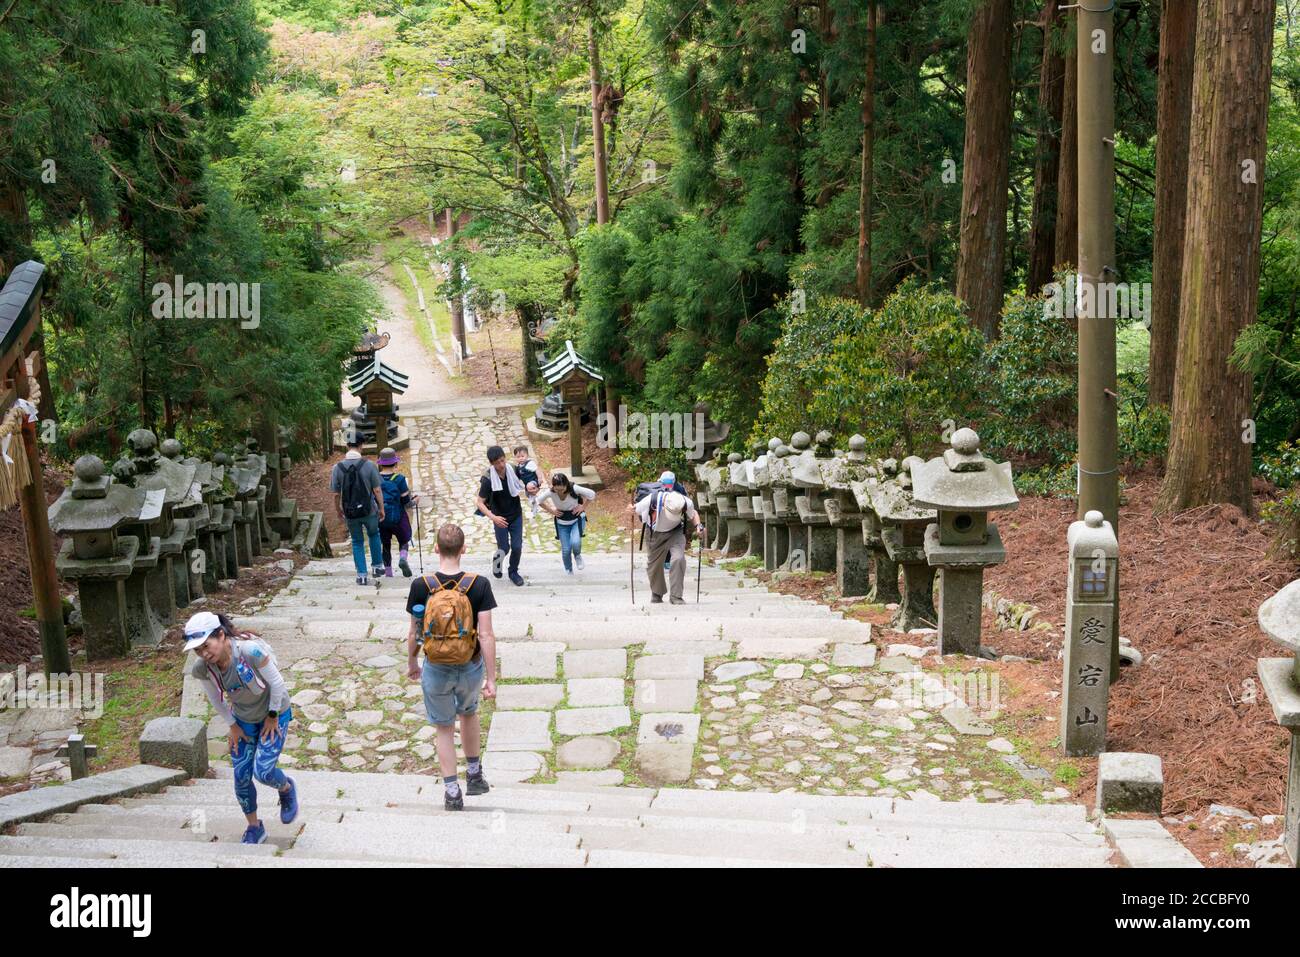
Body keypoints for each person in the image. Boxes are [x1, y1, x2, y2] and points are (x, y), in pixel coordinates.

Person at [406, 523, 498, 810]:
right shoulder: (479, 584)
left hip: (435, 667)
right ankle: (474, 775)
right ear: (463, 549)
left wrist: (411, 661)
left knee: (443, 728)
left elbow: (414, 633)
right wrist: (491, 678)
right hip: (469, 665)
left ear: (436, 548)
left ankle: (451, 792)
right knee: (468, 714)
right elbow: (486, 634)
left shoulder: (421, 585)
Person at [184, 611, 297, 844]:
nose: (204, 653)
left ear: (221, 636)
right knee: (241, 776)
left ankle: (285, 788)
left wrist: (273, 716)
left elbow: (277, 684)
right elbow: (216, 699)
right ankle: (254, 827)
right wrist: (233, 725)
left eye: (207, 645)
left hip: (273, 713)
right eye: (198, 650)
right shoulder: (202, 668)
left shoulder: (250, 652)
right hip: (243, 718)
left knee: (264, 771)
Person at [631, 479, 700, 604]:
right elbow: (635, 509)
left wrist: (698, 526)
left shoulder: (684, 502)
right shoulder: (651, 500)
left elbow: (693, 513)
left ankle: (676, 596)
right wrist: (631, 509)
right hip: (654, 533)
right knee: (654, 566)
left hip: (676, 532)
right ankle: (657, 593)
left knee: (678, 559)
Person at [331, 437, 386, 586]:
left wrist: (338, 511)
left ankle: (361, 575)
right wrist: (381, 508)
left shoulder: (337, 468)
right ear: (362, 445)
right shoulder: (369, 465)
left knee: (357, 541)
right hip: (369, 510)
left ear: (348, 446)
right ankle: (377, 567)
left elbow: (336, 494)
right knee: (374, 534)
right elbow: (377, 489)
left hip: (350, 512)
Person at [475, 445, 526, 586]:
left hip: (516, 514)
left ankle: (513, 572)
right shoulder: (488, 479)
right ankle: (497, 563)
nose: (501, 465)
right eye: (497, 463)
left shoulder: (513, 469)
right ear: (491, 463)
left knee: (517, 547)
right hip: (499, 518)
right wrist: (493, 517)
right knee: (504, 548)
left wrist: (533, 485)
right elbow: (480, 502)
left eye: (503, 460)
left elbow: (529, 476)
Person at [538, 472, 596, 574]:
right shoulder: (551, 492)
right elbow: (539, 500)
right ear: (553, 487)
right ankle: (568, 569)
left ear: (566, 485)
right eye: (557, 489)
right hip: (562, 523)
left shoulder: (574, 488)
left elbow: (592, 494)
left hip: (576, 520)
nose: (560, 492)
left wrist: (583, 507)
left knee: (575, 542)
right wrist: (552, 510)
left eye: (562, 489)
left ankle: (577, 555)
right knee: (566, 550)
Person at [377, 447, 418, 578]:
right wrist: (415, 501)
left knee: (386, 545)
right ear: (395, 463)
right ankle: (403, 558)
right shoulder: (399, 479)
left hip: (381, 518)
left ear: (381, 464)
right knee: (404, 540)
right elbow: (406, 503)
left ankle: (388, 574)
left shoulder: (376, 479)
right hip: (398, 517)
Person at [513, 444, 545, 518]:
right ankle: (534, 506)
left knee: (529, 486)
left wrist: (540, 478)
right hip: (527, 485)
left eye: (522, 456)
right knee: (529, 495)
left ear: (527, 456)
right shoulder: (519, 467)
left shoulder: (530, 463)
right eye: (518, 457)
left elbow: (537, 470)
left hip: (534, 481)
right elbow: (519, 477)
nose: (521, 458)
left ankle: (535, 501)